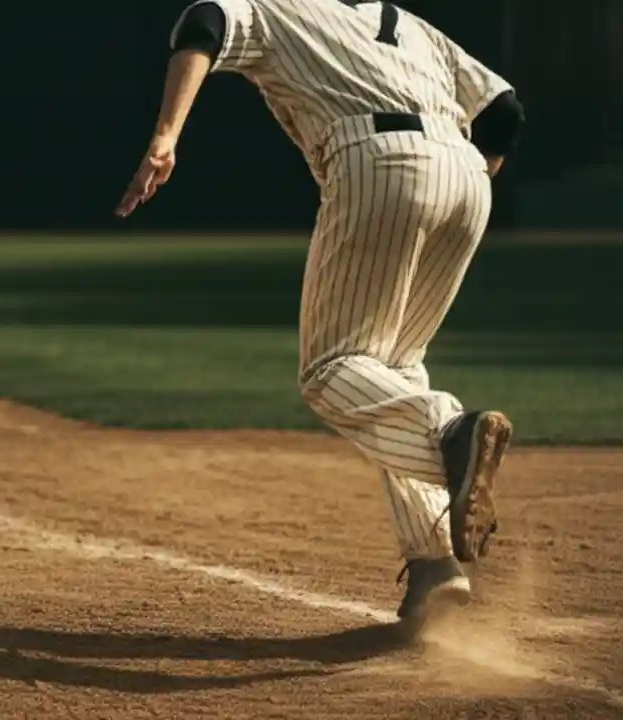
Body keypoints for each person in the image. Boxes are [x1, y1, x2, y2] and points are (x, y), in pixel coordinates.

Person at [115, 0, 525, 623]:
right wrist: (468, 174)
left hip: (379, 159)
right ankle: (433, 566)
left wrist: (165, 138)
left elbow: (203, 23)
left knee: (332, 370)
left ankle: (450, 432)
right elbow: (504, 111)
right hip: (468, 177)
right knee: (394, 371)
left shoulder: (278, 6)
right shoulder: (407, 23)